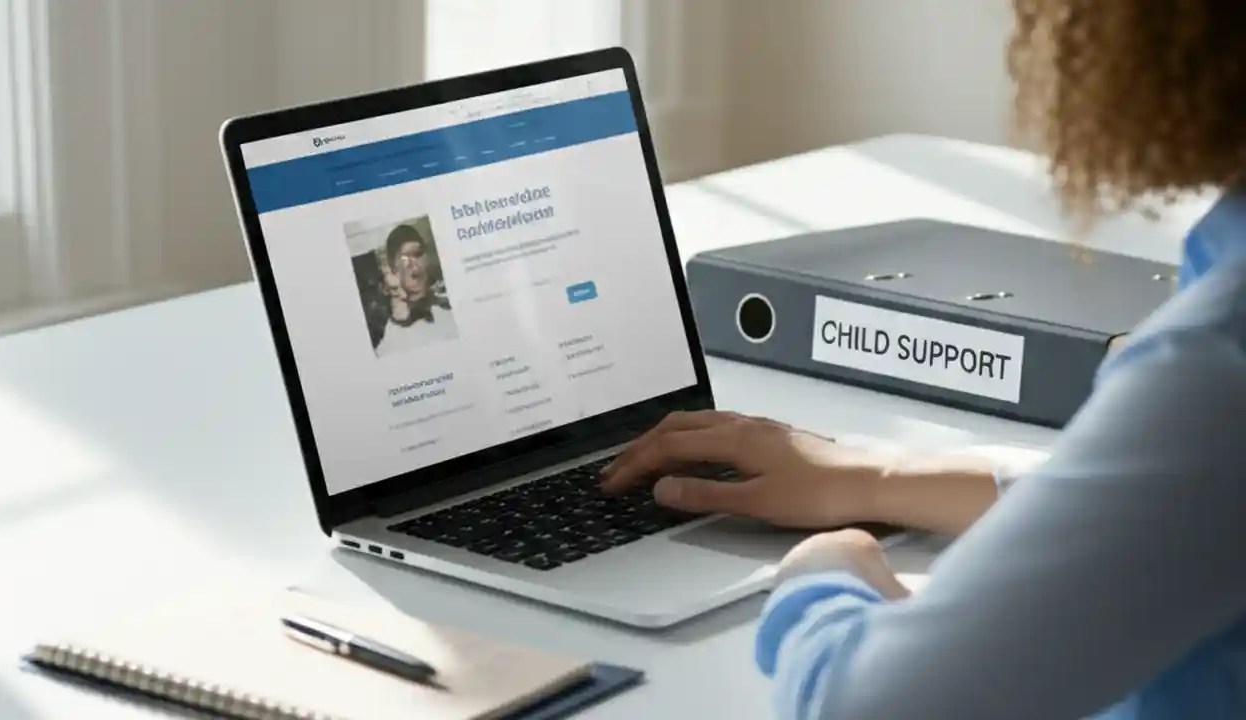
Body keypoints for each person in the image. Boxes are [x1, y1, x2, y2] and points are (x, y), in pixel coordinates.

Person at [600, 3, 1246, 718]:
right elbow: (1166, 499)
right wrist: (885, 477)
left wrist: (821, 575)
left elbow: (865, 707)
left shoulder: (1217, 368)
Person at [375, 223, 456, 356]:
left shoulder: (450, 308)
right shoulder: (389, 348)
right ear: (394, 269)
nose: (415, 265)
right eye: (406, 257)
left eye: (418, 254)